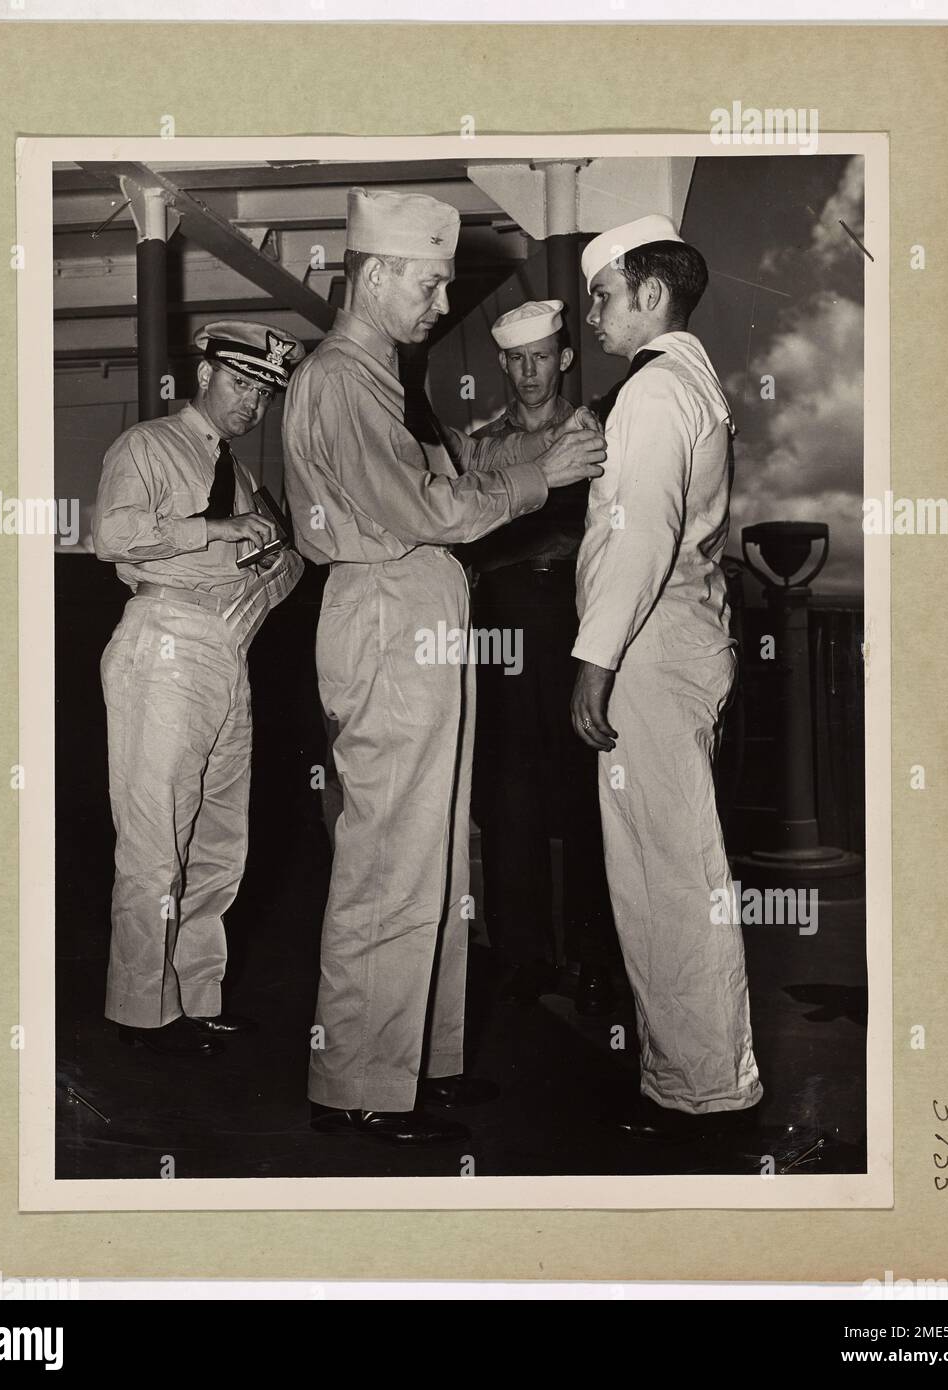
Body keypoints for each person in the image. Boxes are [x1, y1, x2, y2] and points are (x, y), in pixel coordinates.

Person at [283, 187, 606, 1145]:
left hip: (415, 615)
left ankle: (422, 1060)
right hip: (388, 613)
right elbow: (421, 508)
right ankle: (356, 1083)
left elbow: (440, 485)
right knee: (388, 858)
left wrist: (519, 470)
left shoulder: (377, 377)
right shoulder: (343, 378)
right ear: (375, 274)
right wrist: (540, 475)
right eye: (426, 285)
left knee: (435, 851)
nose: (437, 304)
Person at [570, 214, 764, 1138]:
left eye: (603, 297)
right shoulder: (696, 384)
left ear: (650, 295)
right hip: (682, 641)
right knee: (671, 867)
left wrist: (593, 664)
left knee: (666, 877)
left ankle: (703, 1099)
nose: (592, 316)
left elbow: (639, 540)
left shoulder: (648, 398)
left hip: (645, 652)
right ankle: (687, 1082)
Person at [94, 320, 306, 1057]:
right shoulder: (149, 445)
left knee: (220, 841)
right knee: (155, 844)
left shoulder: (244, 476)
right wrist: (217, 531)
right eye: (243, 385)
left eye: (265, 395)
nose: (253, 405)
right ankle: (140, 1013)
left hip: (228, 650)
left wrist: (262, 577)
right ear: (206, 373)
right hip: (164, 639)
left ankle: (198, 994)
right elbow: (114, 533)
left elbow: (286, 561)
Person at [460, 300, 617, 1014]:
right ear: (503, 364)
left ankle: (593, 954)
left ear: (565, 360)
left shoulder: (594, 434)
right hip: (500, 623)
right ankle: (522, 956)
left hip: (575, 620)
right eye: (518, 360)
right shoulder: (479, 446)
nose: (531, 372)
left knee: (588, 790)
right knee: (509, 791)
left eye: (543, 357)